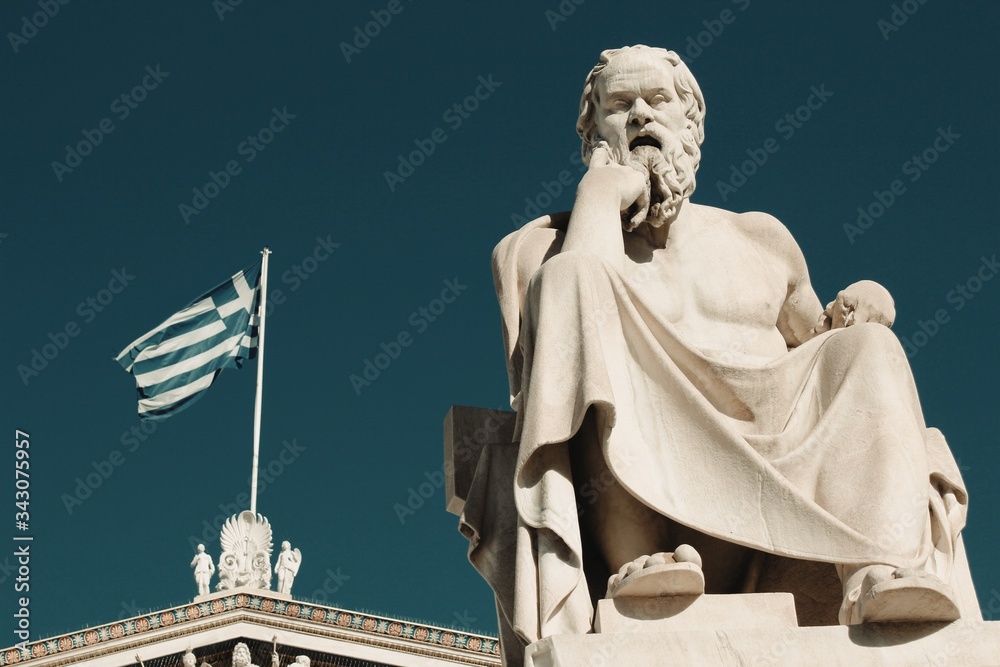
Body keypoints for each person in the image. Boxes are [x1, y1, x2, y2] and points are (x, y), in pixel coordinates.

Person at [480, 44, 971, 656]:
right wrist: (602, 195)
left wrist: (866, 303)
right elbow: (569, 341)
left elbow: (824, 342)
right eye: (619, 105)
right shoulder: (540, 248)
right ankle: (638, 561)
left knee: (869, 346)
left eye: (657, 100)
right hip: (646, 496)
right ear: (593, 133)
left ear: (690, 123)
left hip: (776, 481)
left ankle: (876, 569)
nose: (640, 116)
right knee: (571, 279)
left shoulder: (760, 238)